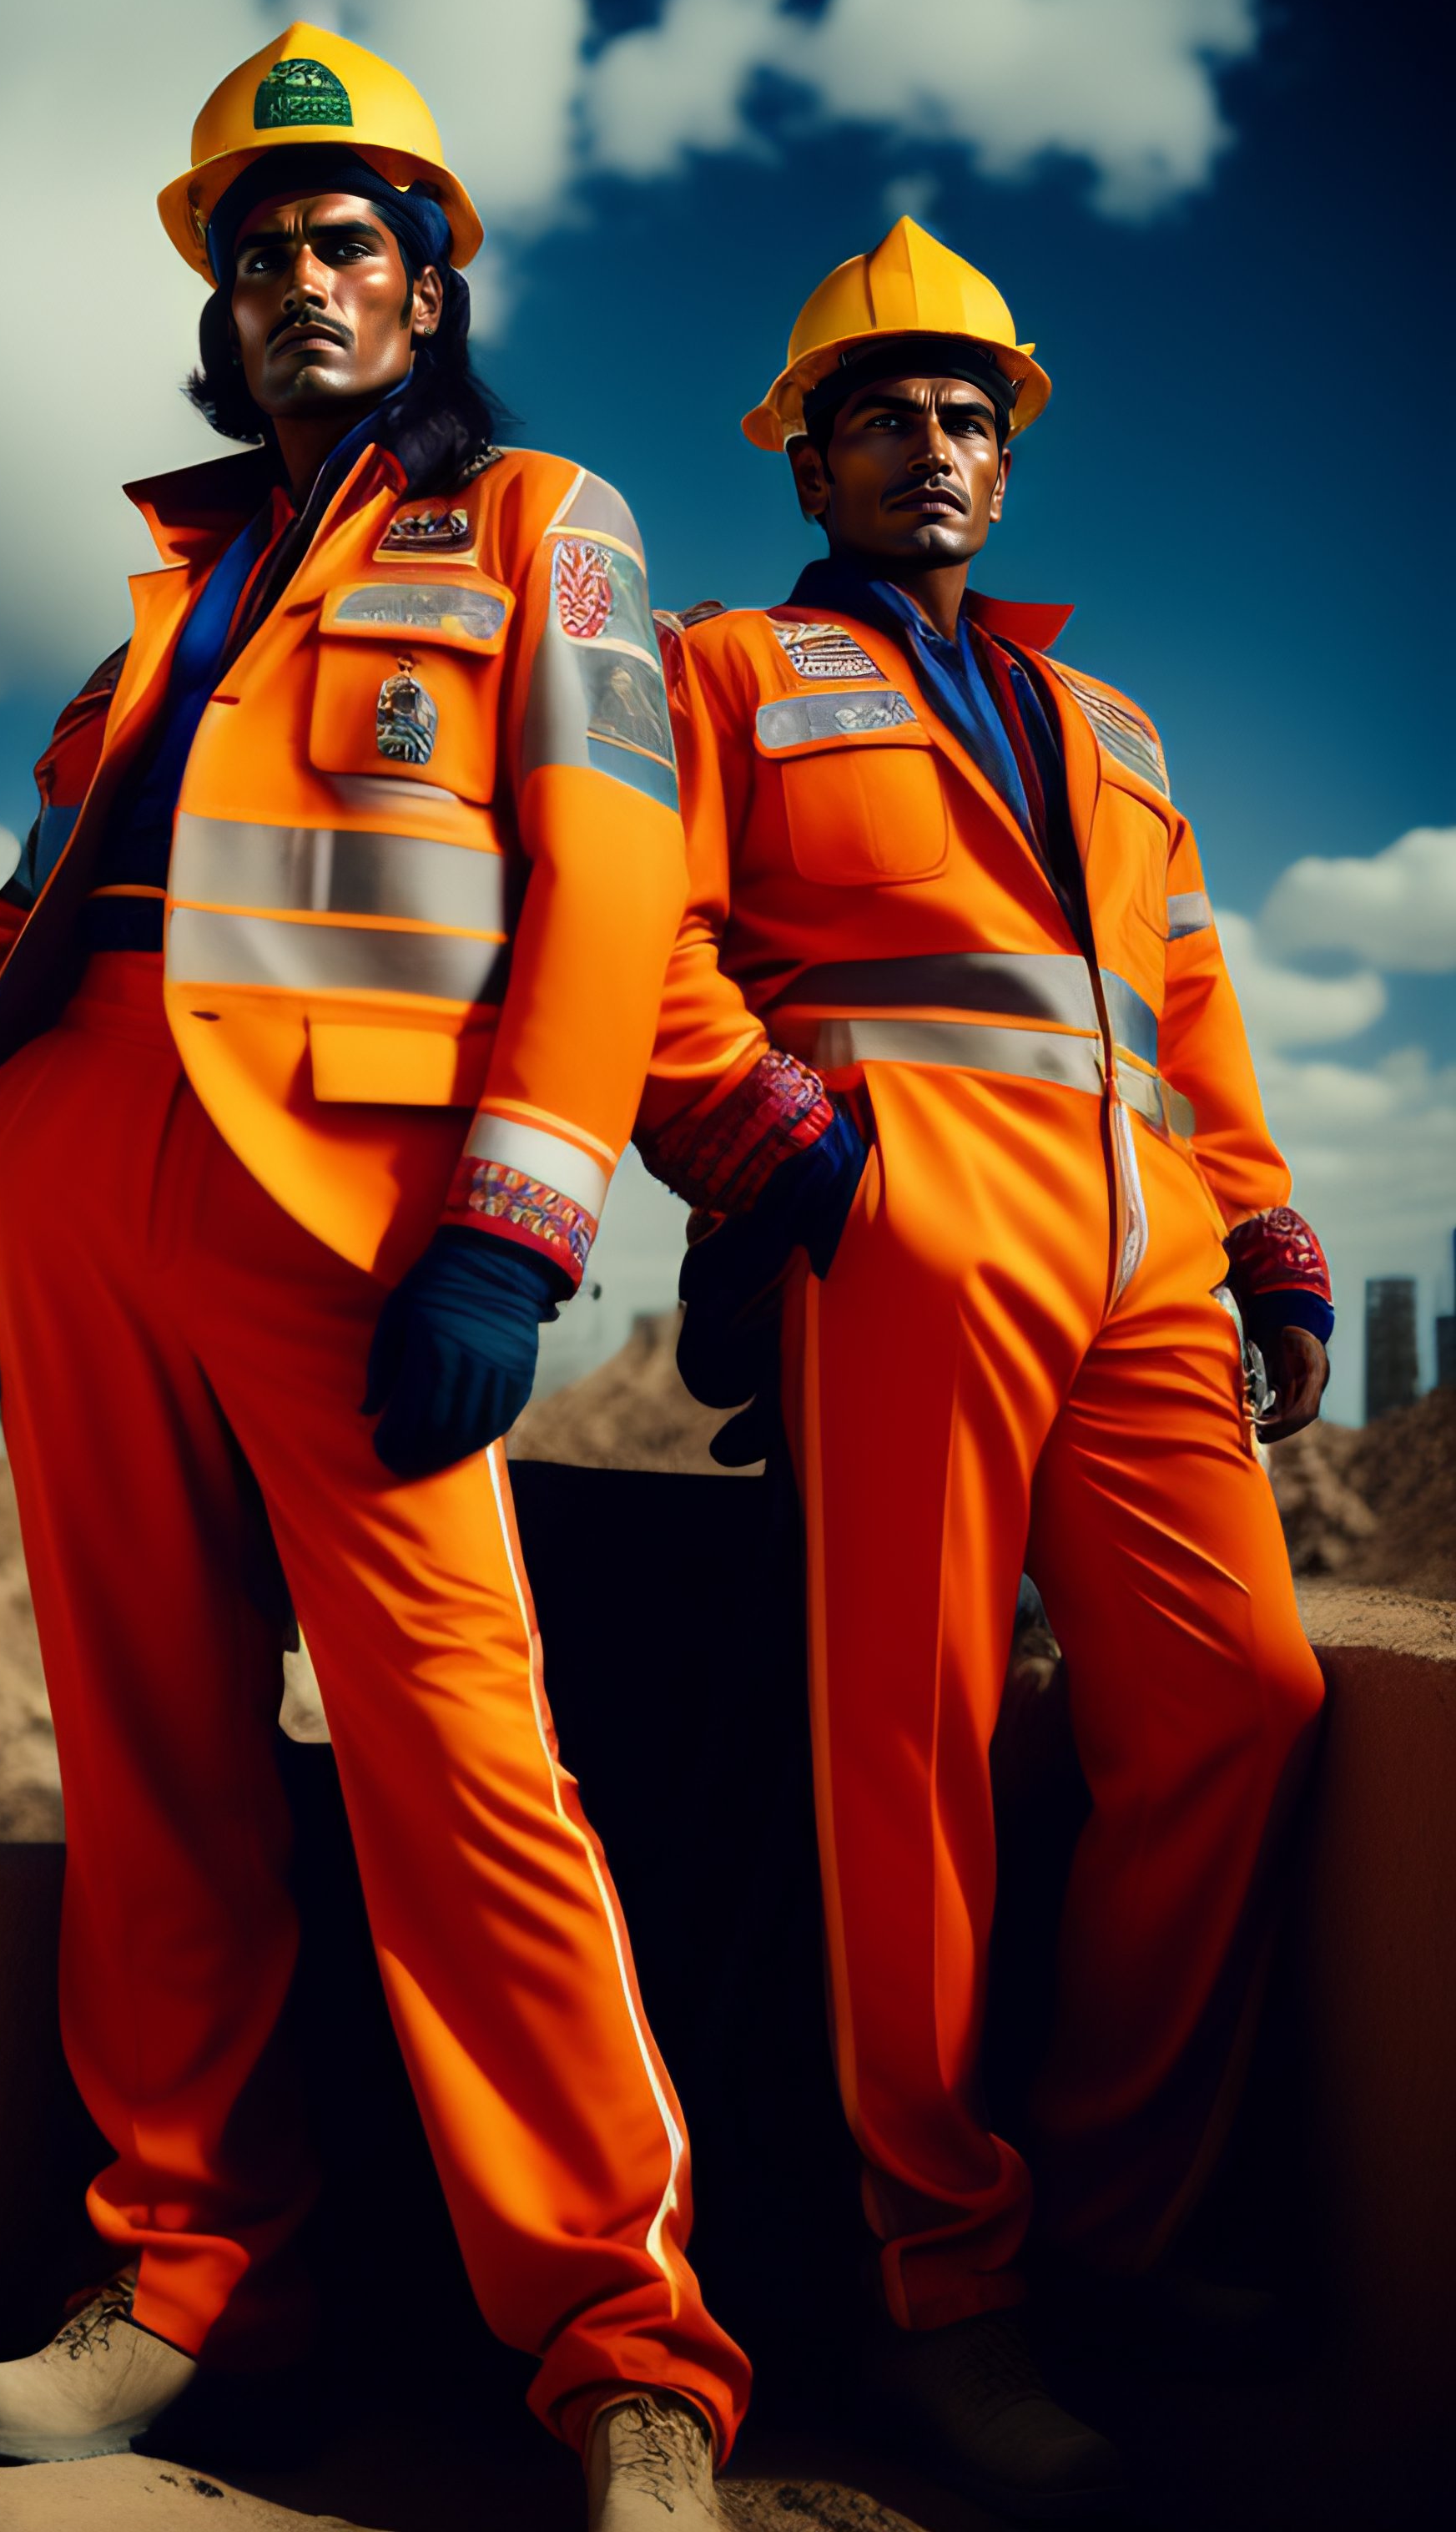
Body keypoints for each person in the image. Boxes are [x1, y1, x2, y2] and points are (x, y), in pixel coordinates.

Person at [0, 24, 747, 2520]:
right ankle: (184, 2278)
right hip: (85, 1199)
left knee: (464, 1769)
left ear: (431, 272)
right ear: (219, 294)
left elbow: (610, 884)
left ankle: (629, 2352)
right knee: (152, 1756)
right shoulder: (171, 577)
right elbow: (49, 881)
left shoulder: (538, 524)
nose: (298, 279)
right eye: (258, 248)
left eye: (345, 240)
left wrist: (515, 1216)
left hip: (367, 1225)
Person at [635, 216, 1331, 2521]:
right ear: (810, 455)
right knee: (908, 1762)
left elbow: (1195, 1012)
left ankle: (1114, 2232)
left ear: (1006, 469)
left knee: (1239, 1701)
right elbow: (624, 942)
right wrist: (781, 1157)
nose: (930, 447)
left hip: (1144, 1258)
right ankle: (950, 2295)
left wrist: (1270, 1240)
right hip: (905, 1228)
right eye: (885, 415)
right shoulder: (722, 671)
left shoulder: (1116, 730)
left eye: (967, 419)